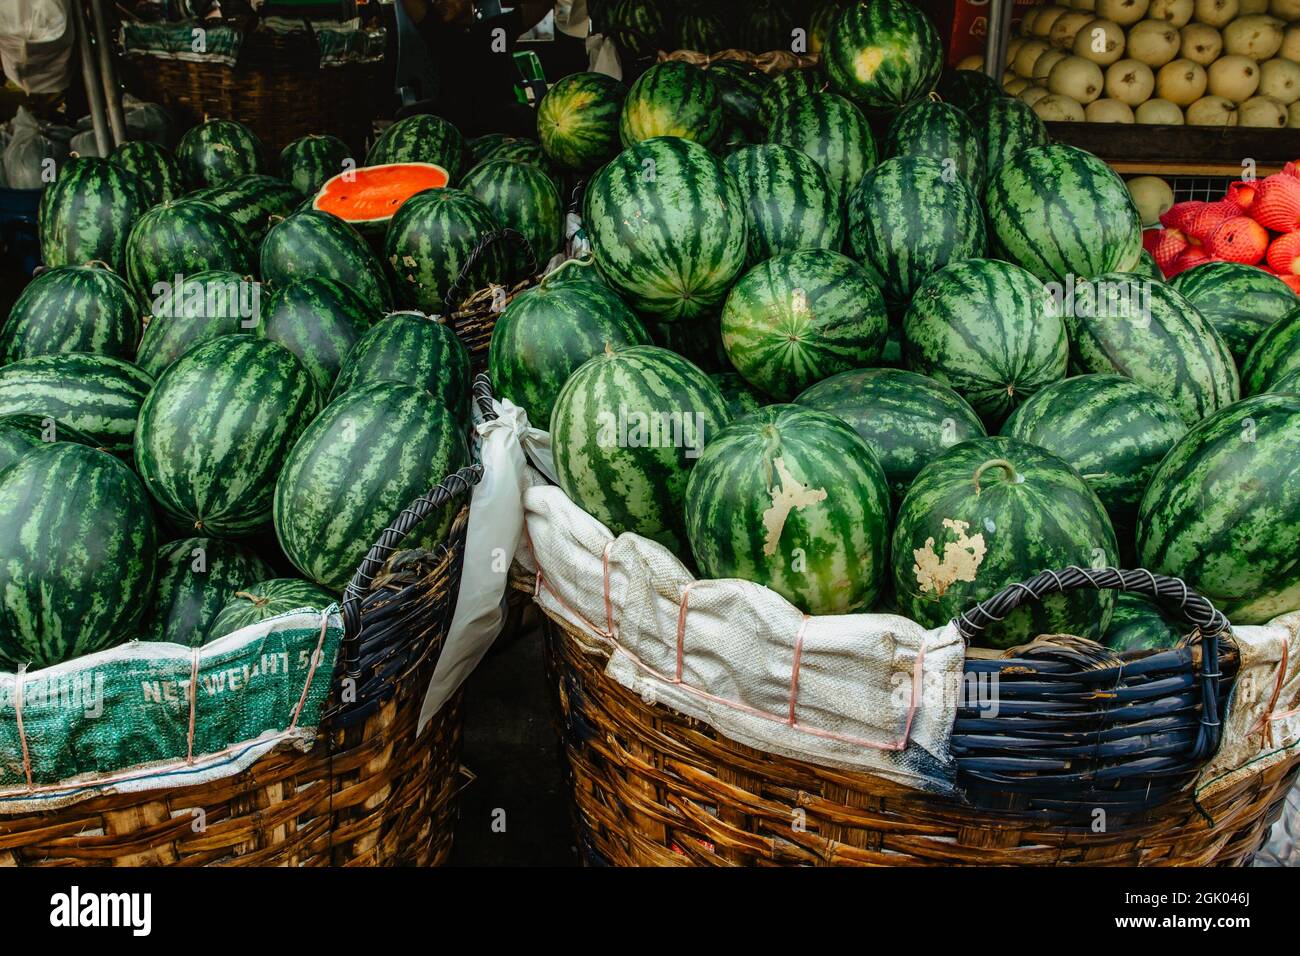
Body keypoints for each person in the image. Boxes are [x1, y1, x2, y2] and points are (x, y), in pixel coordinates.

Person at [400, 0, 554, 136]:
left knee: (526, 117)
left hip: (499, 109)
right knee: (405, 115)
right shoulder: (436, 28)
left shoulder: (499, 28)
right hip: (454, 111)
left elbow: (545, 3)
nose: (440, 2)